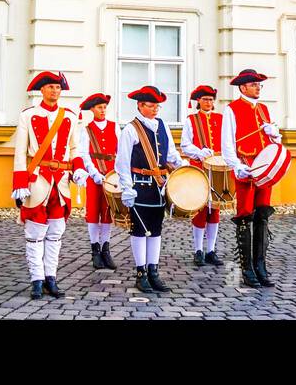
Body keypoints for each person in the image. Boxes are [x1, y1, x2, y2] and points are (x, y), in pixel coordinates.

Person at [12, 71, 87, 300]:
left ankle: (50, 278)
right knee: (35, 233)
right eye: (51, 87)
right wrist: (19, 182)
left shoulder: (70, 117)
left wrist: (79, 168)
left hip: (61, 182)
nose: (55, 91)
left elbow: (75, 149)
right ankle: (36, 279)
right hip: (38, 179)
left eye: (58, 87)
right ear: (42, 90)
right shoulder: (28, 115)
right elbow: (20, 153)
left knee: (55, 233)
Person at [115, 87, 185, 293]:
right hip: (139, 186)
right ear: (140, 105)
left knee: (155, 230)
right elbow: (122, 162)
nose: (155, 109)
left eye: (157, 106)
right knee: (139, 230)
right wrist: (127, 187)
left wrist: (183, 167)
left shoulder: (162, 125)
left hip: (158, 186)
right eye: (151, 105)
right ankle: (140, 273)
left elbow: (171, 154)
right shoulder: (130, 129)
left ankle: (153, 272)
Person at [221, 68, 282, 288]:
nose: (258, 88)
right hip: (246, 167)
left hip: (264, 168)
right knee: (245, 215)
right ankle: (247, 268)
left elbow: (274, 139)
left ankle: (260, 264)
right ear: (243, 87)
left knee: (263, 213)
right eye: (255, 85)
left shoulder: (264, 109)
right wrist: (235, 165)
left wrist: (274, 131)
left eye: (259, 85)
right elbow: (227, 142)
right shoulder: (232, 109)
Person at [181, 84, 224, 266]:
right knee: (200, 210)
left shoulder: (221, 119)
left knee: (214, 210)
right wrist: (199, 152)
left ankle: (211, 250)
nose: (209, 102)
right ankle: (198, 250)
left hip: (217, 170)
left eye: (211, 99)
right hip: (199, 169)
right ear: (198, 101)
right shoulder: (191, 120)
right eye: (205, 99)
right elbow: (185, 145)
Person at [77, 93, 118, 270]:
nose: (103, 110)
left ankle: (106, 250)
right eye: (99, 107)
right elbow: (84, 154)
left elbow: (120, 152)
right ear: (92, 109)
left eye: (104, 107)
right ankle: (95, 250)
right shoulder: (86, 130)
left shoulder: (115, 127)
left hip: (111, 175)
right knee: (94, 212)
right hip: (94, 176)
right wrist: (93, 173)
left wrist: (117, 173)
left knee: (108, 212)